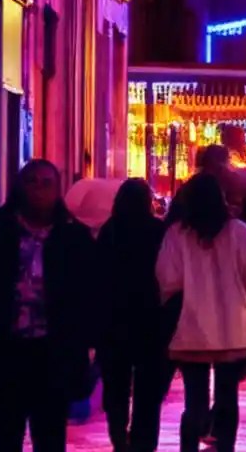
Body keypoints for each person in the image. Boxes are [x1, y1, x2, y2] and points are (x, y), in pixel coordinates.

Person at [0, 160, 97, 452]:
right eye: (32, 182)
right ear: (20, 185)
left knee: (50, 435)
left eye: (46, 183)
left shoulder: (73, 237)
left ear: (57, 190)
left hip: (53, 355)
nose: (38, 190)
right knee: (5, 435)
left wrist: (81, 342)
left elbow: (91, 294)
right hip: (5, 352)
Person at [156, 173, 246, 452]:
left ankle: (190, 446)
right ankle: (223, 446)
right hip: (232, 331)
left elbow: (166, 279)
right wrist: (239, 296)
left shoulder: (177, 234)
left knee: (194, 400)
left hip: (190, 330)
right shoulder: (238, 232)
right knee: (227, 397)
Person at [96, 178, 171, 452]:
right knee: (148, 393)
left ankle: (118, 436)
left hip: (115, 322)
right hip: (151, 321)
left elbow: (99, 278)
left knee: (116, 387)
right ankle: (143, 442)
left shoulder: (110, 231)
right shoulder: (159, 231)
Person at [194, 145, 246, 257]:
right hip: (240, 256)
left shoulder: (193, 188)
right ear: (227, 161)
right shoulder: (243, 186)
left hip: (208, 256)